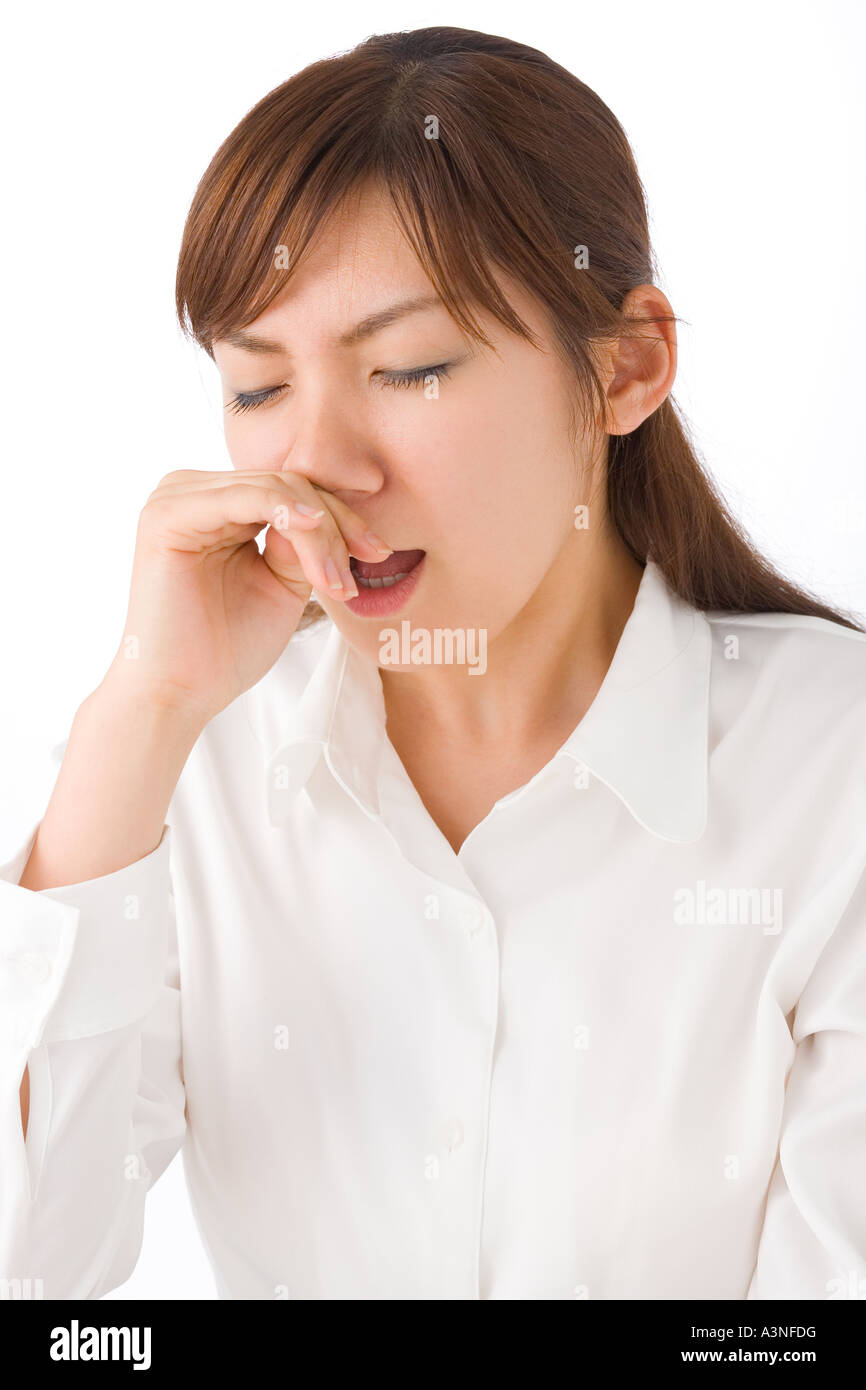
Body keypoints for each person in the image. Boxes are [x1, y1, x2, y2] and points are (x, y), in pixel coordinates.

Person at [2, 25, 864, 1301]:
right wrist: (141, 715)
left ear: (625, 367)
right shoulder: (181, 778)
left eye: (409, 369)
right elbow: (35, 1277)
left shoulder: (827, 774)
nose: (317, 463)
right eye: (254, 388)